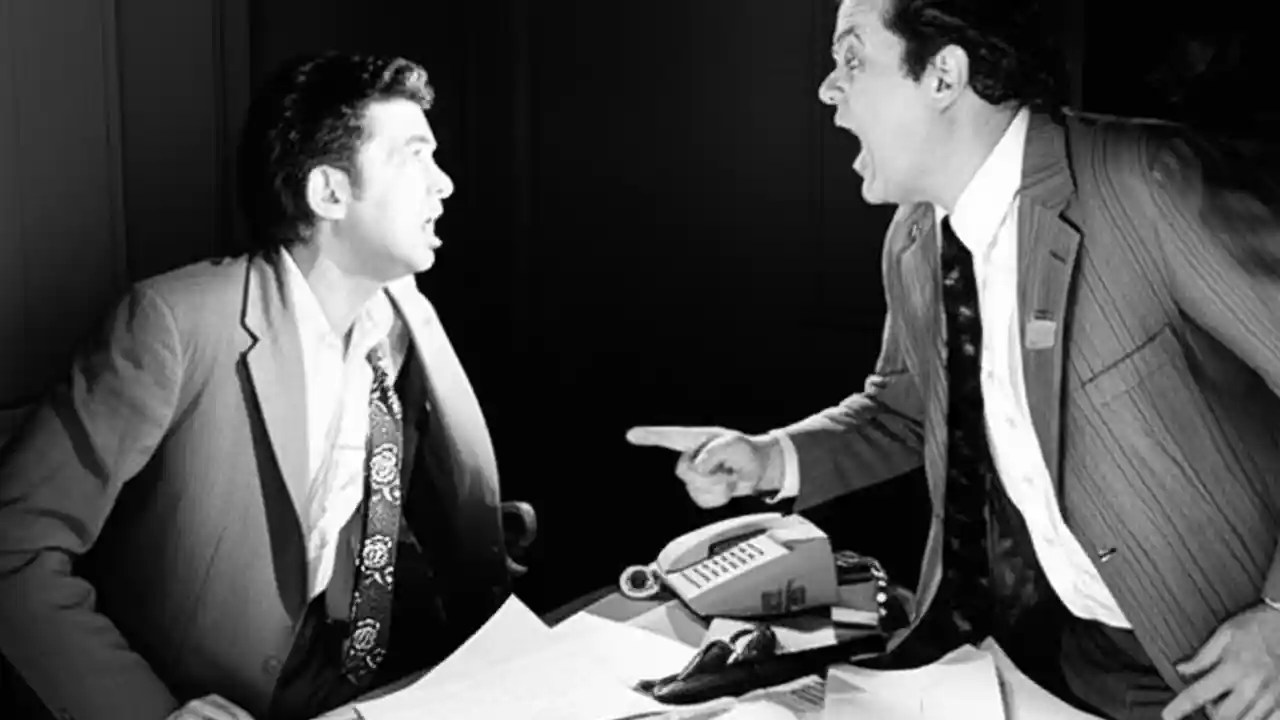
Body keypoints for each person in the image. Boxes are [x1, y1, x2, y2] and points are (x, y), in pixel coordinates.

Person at [628, 1, 1280, 719]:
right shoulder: (913, 243)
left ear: (943, 75)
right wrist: (769, 457)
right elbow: (904, 416)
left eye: (852, 59)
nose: (827, 90)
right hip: (1046, 655)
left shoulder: (1143, 184)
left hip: (1227, 666)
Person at [0, 52, 521, 720]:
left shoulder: (401, 327)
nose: (443, 184)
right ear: (329, 193)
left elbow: (460, 513)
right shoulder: (174, 325)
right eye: (414, 157)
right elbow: (14, 545)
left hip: (362, 692)